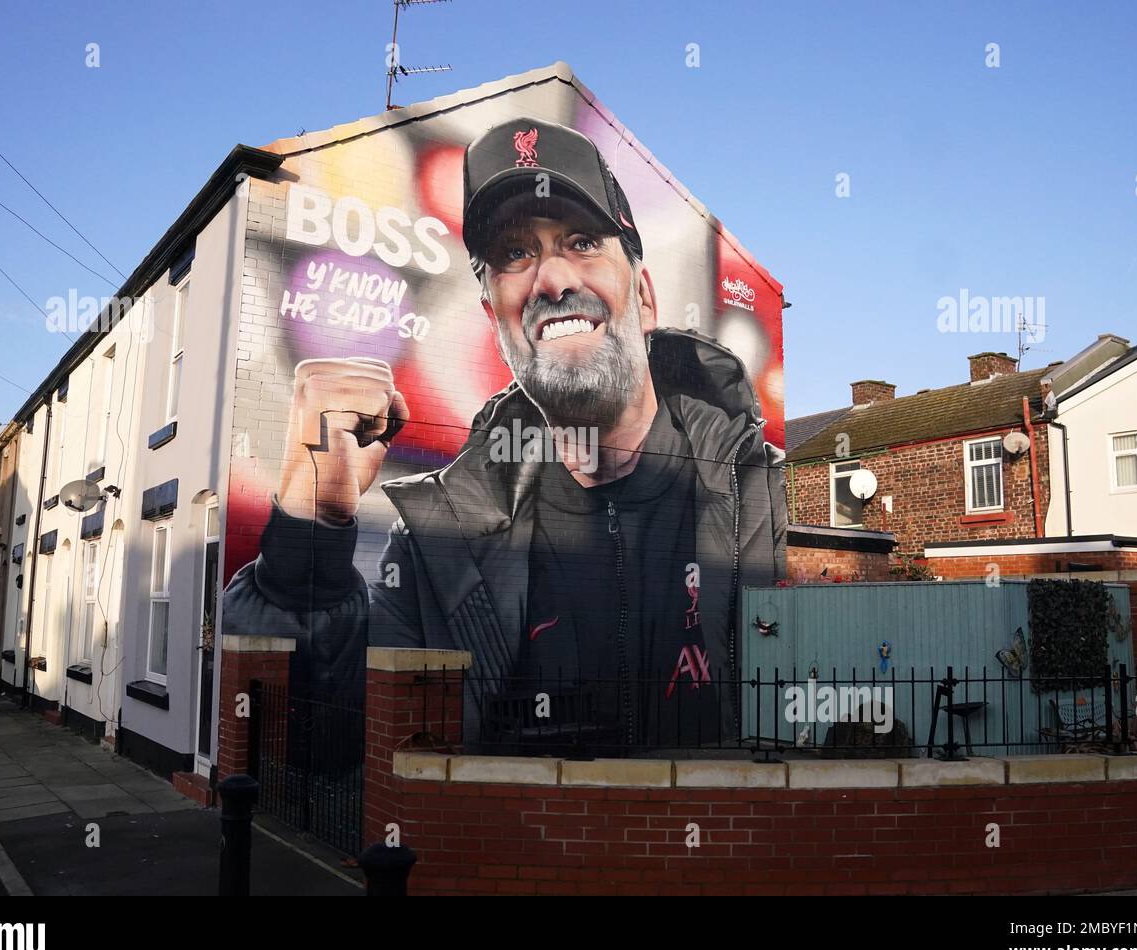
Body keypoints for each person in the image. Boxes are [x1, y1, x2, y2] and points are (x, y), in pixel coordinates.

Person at [223, 118, 787, 752]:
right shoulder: (438, 543)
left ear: (646, 297)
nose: (553, 281)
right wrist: (309, 539)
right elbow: (313, 745)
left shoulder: (767, 501)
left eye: (582, 241)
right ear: (496, 320)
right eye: (515, 255)